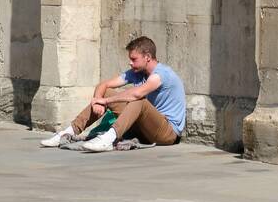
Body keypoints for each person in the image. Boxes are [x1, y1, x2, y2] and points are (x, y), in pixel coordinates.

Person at [40, 36, 186, 152]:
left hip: (167, 133)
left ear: (147, 56)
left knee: (139, 101)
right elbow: (104, 85)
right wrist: (98, 101)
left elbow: (136, 94)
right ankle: (68, 132)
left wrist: (106, 101)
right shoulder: (137, 73)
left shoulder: (162, 74)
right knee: (106, 93)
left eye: (134, 59)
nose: (130, 63)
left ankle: (108, 138)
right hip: (144, 129)